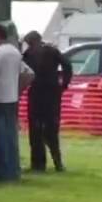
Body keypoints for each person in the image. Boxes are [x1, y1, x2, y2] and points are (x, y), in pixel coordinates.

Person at [0, 24, 33, 182]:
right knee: (11, 137)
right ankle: (13, 171)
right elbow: (29, 74)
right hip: (11, 100)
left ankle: (2, 172)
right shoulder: (14, 52)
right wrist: (17, 90)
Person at [22, 30, 72, 172]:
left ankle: (44, 163)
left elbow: (67, 65)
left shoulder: (34, 53)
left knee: (44, 129)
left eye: (30, 43)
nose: (30, 46)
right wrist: (63, 84)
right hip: (49, 92)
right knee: (42, 129)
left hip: (42, 92)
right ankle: (47, 163)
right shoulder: (49, 52)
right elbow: (67, 65)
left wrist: (64, 84)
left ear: (36, 41)